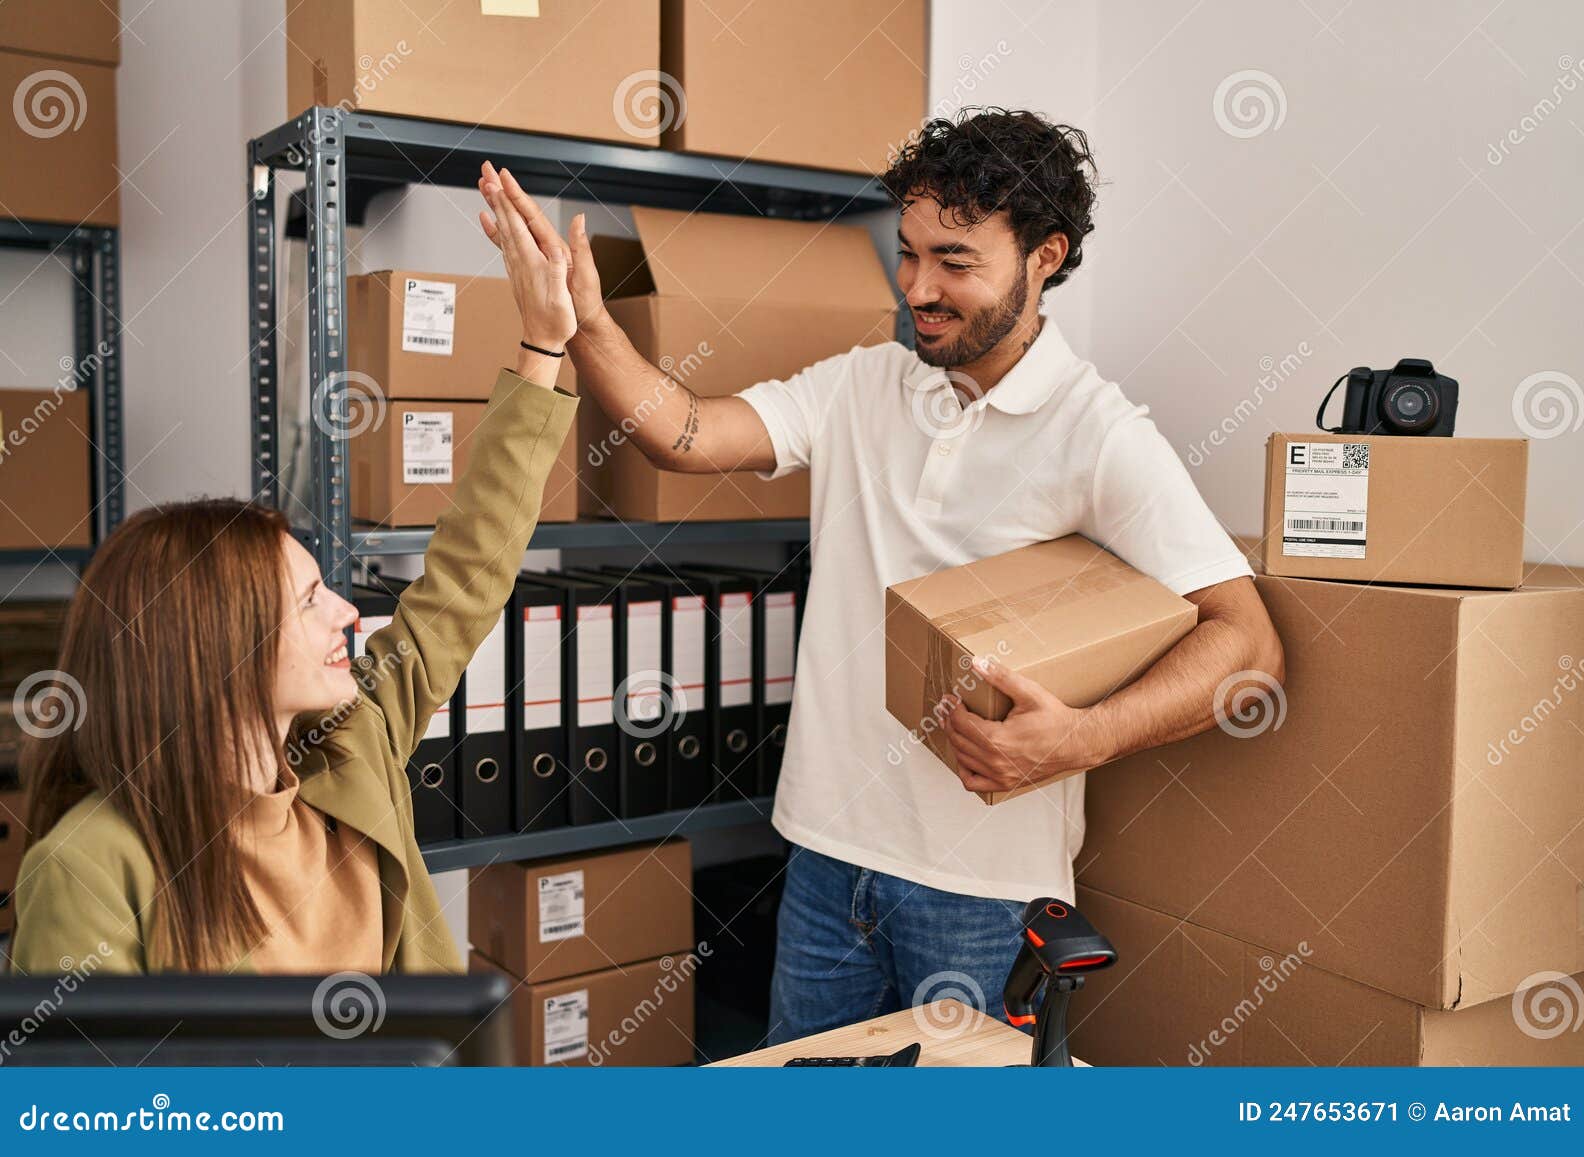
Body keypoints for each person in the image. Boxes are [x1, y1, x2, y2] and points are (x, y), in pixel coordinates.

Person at [517, 109, 1285, 1043]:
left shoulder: (1102, 437)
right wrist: (586, 321)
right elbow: (687, 434)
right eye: (909, 252)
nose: (919, 286)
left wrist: (1076, 740)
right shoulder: (866, 384)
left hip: (984, 896)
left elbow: (1246, 643)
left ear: (1045, 256)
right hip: (825, 863)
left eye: (955, 262)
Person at [9, 163, 577, 975]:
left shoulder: (352, 744)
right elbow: (91, 1105)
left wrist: (544, 343)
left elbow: (467, 574)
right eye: (309, 598)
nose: (349, 611)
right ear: (215, 647)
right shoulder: (93, 865)